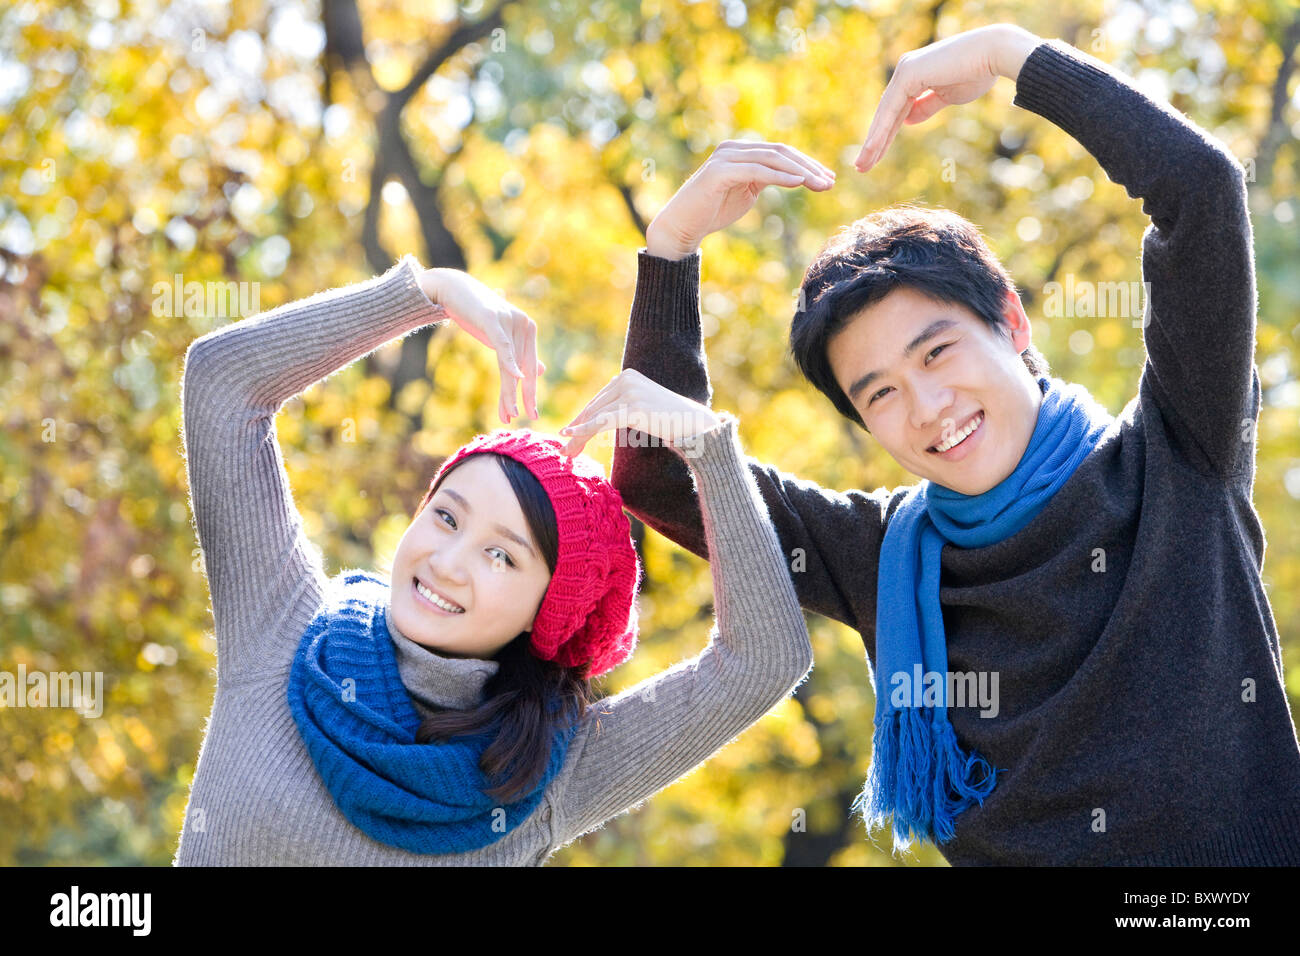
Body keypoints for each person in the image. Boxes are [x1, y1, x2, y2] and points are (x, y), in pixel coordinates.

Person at [566, 23, 1300, 864]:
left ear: (1013, 322)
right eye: (879, 393)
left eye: (937, 351)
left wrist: (1009, 54)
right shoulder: (884, 557)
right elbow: (659, 473)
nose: (927, 406)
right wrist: (670, 250)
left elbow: (1201, 192)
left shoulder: (1178, 453)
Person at [173, 254, 811, 865]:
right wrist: (430, 294)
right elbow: (222, 384)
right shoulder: (283, 627)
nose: (448, 563)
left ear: (548, 614)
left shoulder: (549, 768)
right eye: (446, 516)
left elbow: (763, 662)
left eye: (502, 557)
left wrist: (711, 450)